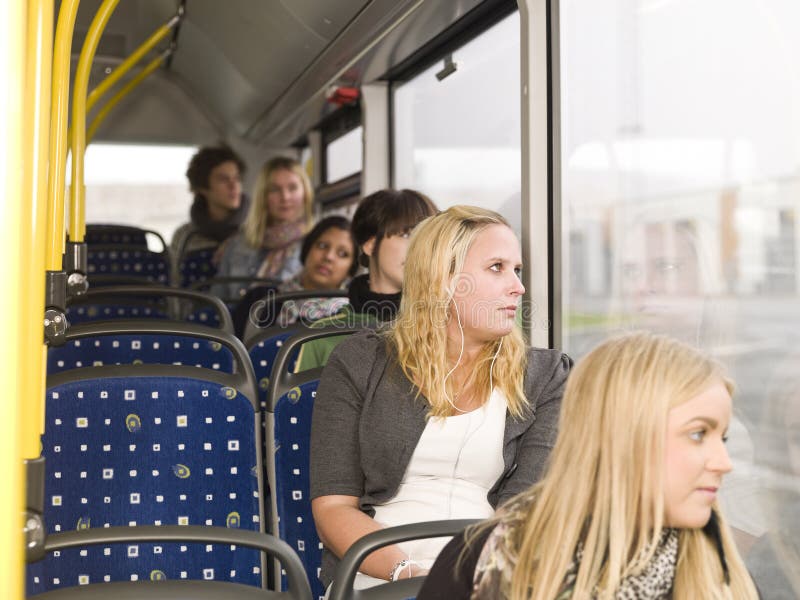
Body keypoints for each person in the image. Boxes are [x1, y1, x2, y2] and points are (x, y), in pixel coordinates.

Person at [310, 206, 572, 591]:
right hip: (379, 570)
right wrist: (408, 575)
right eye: (497, 267)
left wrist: (466, 581)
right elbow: (334, 508)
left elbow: (522, 512)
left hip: (488, 571)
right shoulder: (360, 363)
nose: (518, 286)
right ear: (444, 279)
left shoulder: (545, 377)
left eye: (517, 270)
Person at [417, 332, 759, 600]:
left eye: (722, 438)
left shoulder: (721, 574)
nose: (723, 463)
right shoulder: (478, 561)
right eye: (699, 434)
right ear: (624, 436)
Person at [294, 188, 438, 371]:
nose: (419, 248)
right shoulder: (322, 335)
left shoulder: (443, 329)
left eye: (427, 238)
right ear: (371, 245)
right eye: (406, 235)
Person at [235, 215, 357, 336]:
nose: (328, 257)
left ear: (351, 269)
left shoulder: (351, 320)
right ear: (307, 249)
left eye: (342, 254)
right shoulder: (260, 299)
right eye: (322, 246)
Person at [212, 156, 314, 299]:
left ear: (305, 193)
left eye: (293, 188)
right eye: (275, 189)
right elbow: (218, 301)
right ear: (263, 196)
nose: (285, 197)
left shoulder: (316, 244)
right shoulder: (237, 244)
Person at [170, 143, 248, 259]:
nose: (233, 186)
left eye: (237, 178)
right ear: (203, 188)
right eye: (223, 179)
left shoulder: (255, 231)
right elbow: (175, 276)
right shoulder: (184, 236)